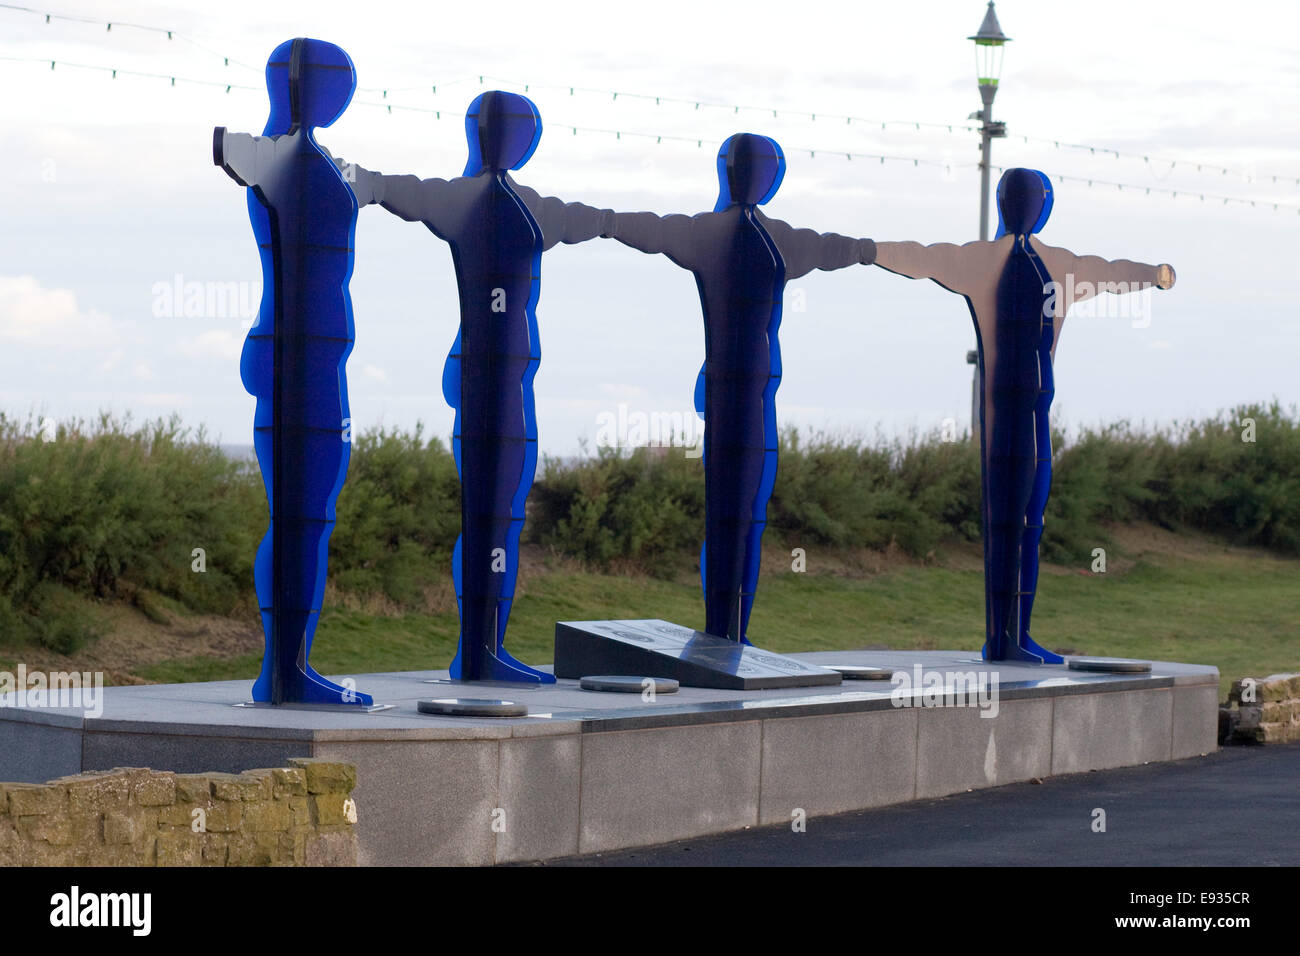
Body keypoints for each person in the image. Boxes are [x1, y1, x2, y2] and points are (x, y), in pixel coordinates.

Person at [341, 91, 612, 682]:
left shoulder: (499, 202)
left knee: (498, 512)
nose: (519, 141)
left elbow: (386, 185)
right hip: (492, 381)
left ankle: (482, 648)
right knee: (494, 512)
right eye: (519, 131)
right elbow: (386, 185)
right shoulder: (501, 204)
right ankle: (480, 650)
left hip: (496, 378)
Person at [874, 167, 1175, 662]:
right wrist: (867, 251)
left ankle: (1018, 632)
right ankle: (1002, 636)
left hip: (1036, 417)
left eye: (1036, 199)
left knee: (1029, 526)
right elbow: (923, 257)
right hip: (1005, 421)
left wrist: (1153, 276)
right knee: (1006, 525)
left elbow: (1112, 270)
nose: (1030, 207)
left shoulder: (1056, 263)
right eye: (1026, 198)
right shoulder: (984, 260)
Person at [605, 133, 876, 643]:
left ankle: (731, 630)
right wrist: (601, 222)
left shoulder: (763, 236)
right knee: (734, 513)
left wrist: (873, 251)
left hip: (750, 399)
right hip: (735, 397)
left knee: (747, 515)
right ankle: (722, 629)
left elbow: (832, 248)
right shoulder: (727, 234)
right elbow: (652, 229)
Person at [213, 38, 372, 705]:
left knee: (311, 514)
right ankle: (284, 669)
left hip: (313, 355)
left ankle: (289, 665)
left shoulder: (310, 158)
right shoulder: (274, 156)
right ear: (305, 84)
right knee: (300, 515)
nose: (346, 96)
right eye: (339, 82)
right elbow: (234, 148)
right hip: (294, 355)